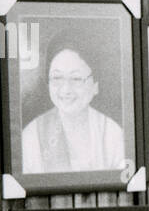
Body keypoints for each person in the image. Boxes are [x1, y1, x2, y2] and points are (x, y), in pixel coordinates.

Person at [22, 40, 125, 174]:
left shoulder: (112, 134)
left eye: (76, 79)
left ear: (95, 86)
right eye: (57, 78)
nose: (66, 90)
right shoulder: (31, 136)